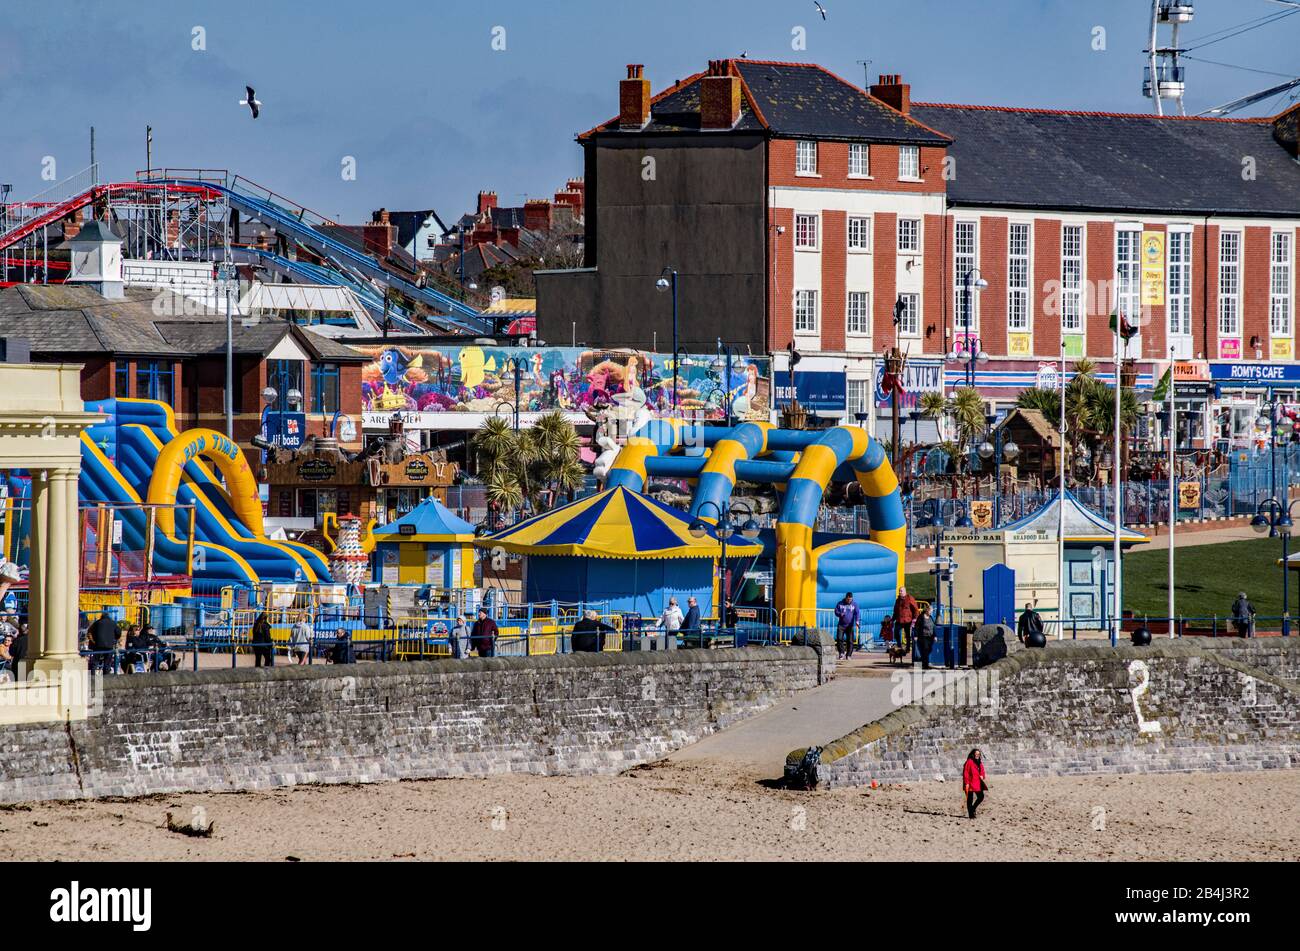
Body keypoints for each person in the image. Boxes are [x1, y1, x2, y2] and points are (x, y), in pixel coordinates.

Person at [891, 587, 919, 657]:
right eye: (899, 591)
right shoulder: (897, 600)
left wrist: (915, 618)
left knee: (907, 635)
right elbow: (895, 611)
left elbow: (915, 609)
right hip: (899, 620)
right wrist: (892, 619)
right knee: (896, 632)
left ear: (905, 591)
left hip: (908, 620)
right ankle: (899, 645)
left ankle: (908, 648)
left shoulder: (910, 598)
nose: (900, 592)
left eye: (901, 591)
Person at [963, 748, 990, 820]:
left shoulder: (979, 762)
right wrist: (967, 783)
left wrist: (982, 775)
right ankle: (971, 815)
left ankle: (973, 808)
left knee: (981, 796)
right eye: (976, 754)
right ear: (973, 754)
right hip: (969, 783)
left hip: (977, 782)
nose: (977, 755)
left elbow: (982, 771)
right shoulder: (969, 762)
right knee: (970, 799)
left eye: (978, 754)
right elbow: (966, 773)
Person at [834, 592, 859, 660]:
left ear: (852, 598)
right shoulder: (840, 603)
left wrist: (857, 621)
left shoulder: (854, 604)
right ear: (846, 598)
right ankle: (841, 653)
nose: (849, 601)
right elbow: (836, 611)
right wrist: (840, 614)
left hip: (850, 626)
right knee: (839, 639)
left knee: (850, 641)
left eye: (850, 599)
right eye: (848, 599)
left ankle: (849, 655)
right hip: (841, 625)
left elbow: (857, 613)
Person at [915, 602, 936, 670]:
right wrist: (916, 635)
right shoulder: (921, 617)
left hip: (930, 636)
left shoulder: (931, 617)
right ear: (927, 610)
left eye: (932, 611)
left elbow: (933, 627)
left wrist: (935, 636)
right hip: (923, 636)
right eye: (930, 611)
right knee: (925, 650)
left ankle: (924, 663)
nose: (931, 612)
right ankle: (925, 665)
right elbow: (917, 626)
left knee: (928, 650)